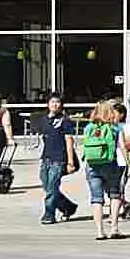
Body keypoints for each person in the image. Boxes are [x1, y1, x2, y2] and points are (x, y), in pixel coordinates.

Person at [78, 100, 124, 240]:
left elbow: (84, 144)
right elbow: (122, 147)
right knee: (115, 195)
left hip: (92, 165)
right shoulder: (115, 128)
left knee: (96, 198)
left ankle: (99, 231)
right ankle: (114, 228)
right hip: (111, 164)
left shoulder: (88, 128)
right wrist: (128, 163)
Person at [32, 92, 79, 225]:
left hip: (59, 158)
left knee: (52, 187)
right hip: (46, 157)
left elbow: (69, 140)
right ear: (48, 104)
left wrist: (70, 162)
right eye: (52, 102)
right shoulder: (44, 119)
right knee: (47, 186)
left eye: (57, 102)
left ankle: (49, 214)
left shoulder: (65, 120)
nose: (54, 104)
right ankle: (68, 207)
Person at [112, 100, 130, 220]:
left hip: (122, 160)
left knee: (119, 187)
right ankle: (126, 204)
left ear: (122, 114)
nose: (112, 116)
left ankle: (115, 215)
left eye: (115, 113)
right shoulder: (109, 127)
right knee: (110, 188)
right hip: (109, 160)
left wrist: (117, 144)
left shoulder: (128, 127)